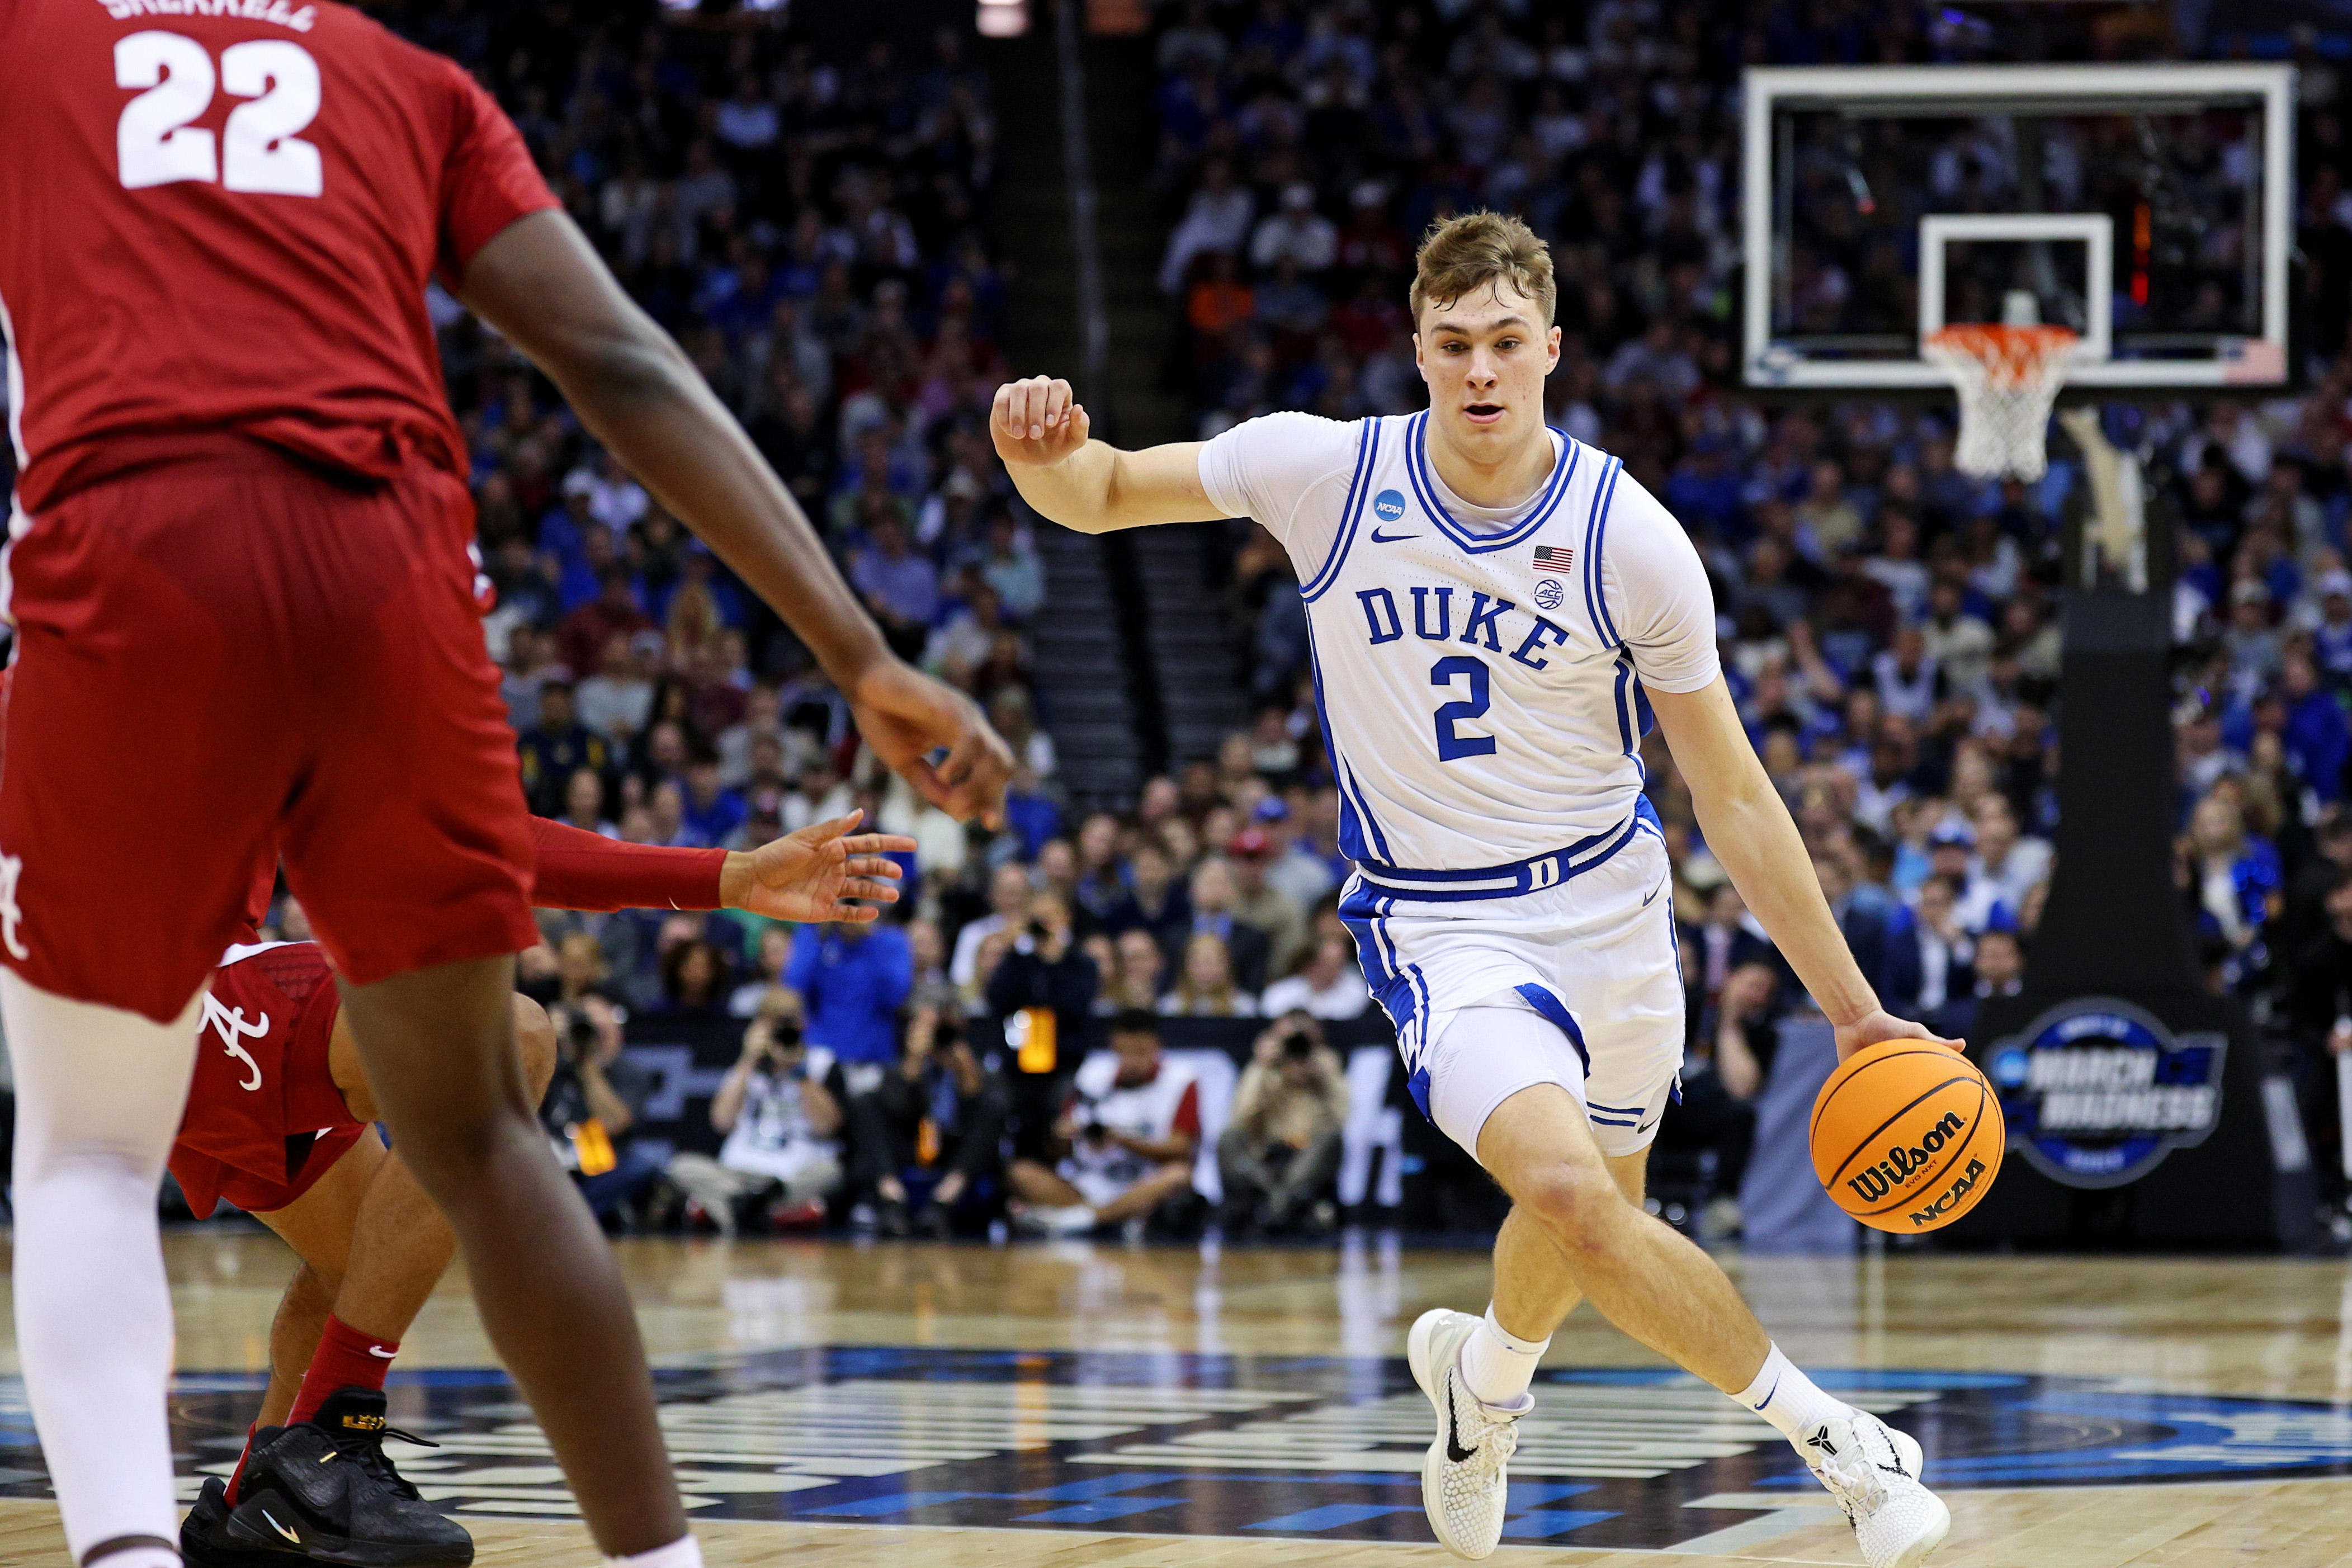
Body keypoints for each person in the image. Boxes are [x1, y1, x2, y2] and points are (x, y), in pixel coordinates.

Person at [0, 5, 1009, 1562]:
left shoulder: (34, 47)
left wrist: (720, 876)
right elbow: (617, 355)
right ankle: (591, 1537)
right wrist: (857, 654)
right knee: (485, 1123)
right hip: (387, 551)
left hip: (130, 548)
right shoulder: (407, 79)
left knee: (95, 1161)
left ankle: (254, 1481)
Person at [991, 210, 1953, 1567]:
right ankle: (1841, 1443)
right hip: (1438, 920)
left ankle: (1482, 1385)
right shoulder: (1323, 471)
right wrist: (1034, 452)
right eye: (1453, 344)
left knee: (1587, 1223)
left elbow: (1732, 794)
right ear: (1417, 349)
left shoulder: (1629, 536)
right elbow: (1096, 493)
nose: (1480, 369)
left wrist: (1853, 1012)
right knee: (1571, 1194)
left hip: (1612, 912)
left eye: (1505, 341)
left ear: (1550, 347)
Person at [174, 811, 910, 1566]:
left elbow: (471, 838)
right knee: (508, 1037)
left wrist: (731, 875)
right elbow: (476, 838)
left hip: (142, 997)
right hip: (169, 975)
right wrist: (724, 876)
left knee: (366, 1262)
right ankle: (328, 1436)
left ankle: (250, 1511)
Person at [665, 990, 847, 1235]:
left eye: (789, 1020)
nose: (782, 1028)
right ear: (760, 1024)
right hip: (738, 1173)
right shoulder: (745, 1065)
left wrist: (798, 1072)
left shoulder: (821, 1063)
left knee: (831, 1171)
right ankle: (765, 1212)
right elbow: (721, 1121)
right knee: (681, 1166)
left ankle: (737, 1212)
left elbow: (827, 1127)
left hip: (790, 1177)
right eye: (775, 1020)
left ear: (803, 1022)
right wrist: (748, 1060)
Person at [1008, 1011, 1201, 1238]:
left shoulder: (1180, 1081)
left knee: (1178, 1175)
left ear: (1157, 1047)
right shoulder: (1092, 1075)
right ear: (1113, 1047)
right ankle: (1107, 1218)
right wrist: (1064, 1136)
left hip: (1144, 1185)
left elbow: (1182, 1149)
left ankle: (1080, 1220)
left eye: (1140, 1052)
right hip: (1089, 1185)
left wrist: (1122, 1140)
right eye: (1124, 1052)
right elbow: (1061, 1149)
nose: (1132, 1062)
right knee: (1021, 1173)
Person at [856, 1004, 1012, 1238]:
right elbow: (897, 1112)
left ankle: (943, 1202)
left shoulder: (977, 1070)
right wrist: (914, 1061)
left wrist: (966, 1076)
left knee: (993, 1105)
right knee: (867, 1102)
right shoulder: (904, 1068)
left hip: (956, 1161)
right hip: (910, 1152)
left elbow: (988, 1117)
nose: (940, 1039)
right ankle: (892, 1200)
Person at [1218, 1012, 1349, 1235]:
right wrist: (1261, 1067)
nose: (1295, 1047)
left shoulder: (1325, 1063)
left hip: (1307, 1159)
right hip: (1265, 1160)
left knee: (1330, 1137)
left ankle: (1273, 1206)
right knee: (1229, 1138)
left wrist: (1321, 1079)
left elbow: (1343, 1117)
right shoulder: (1265, 1068)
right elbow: (1239, 1117)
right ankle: (1279, 1203)